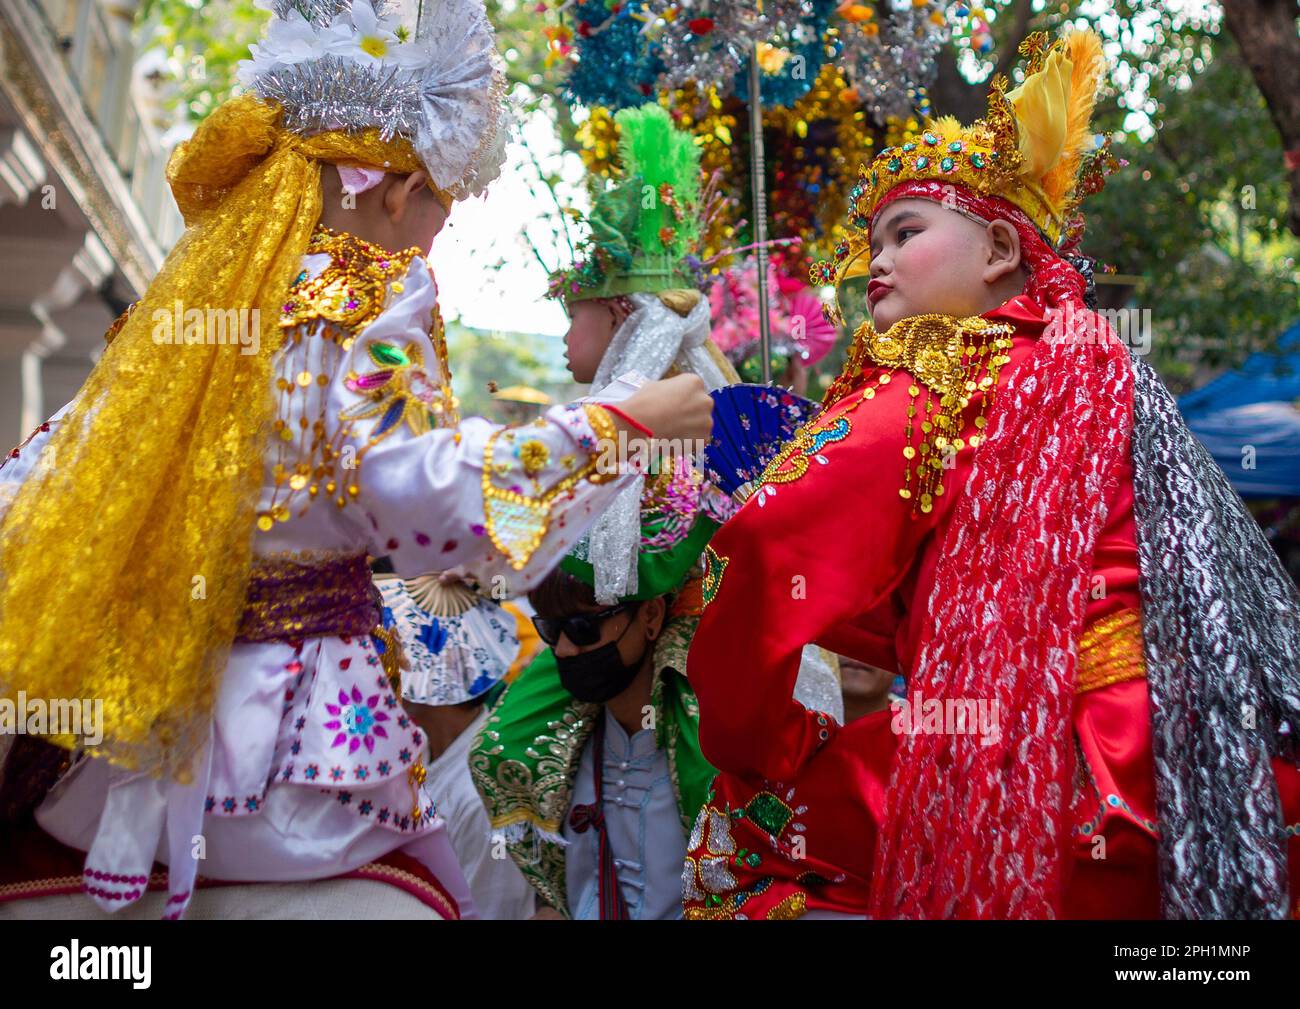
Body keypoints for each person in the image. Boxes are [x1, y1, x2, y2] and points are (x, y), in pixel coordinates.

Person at [0, 0, 711, 921]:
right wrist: (623, 423)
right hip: (291, 777)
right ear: (391, 192)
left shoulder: (177, 325)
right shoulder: (369, 292)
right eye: (438, 218)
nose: (430, 243)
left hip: (113, 755)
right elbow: (412, 486)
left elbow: (33, 488)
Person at [684, 28, 1300, 920]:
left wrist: (762, 741)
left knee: (751, 844)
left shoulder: (938, 375)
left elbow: (770, 551)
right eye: (872, 244)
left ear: (1003, 254)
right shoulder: (1099, 373)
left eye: (905, 231)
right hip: (1181, 751)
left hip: (1029, 754)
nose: (878, 263)